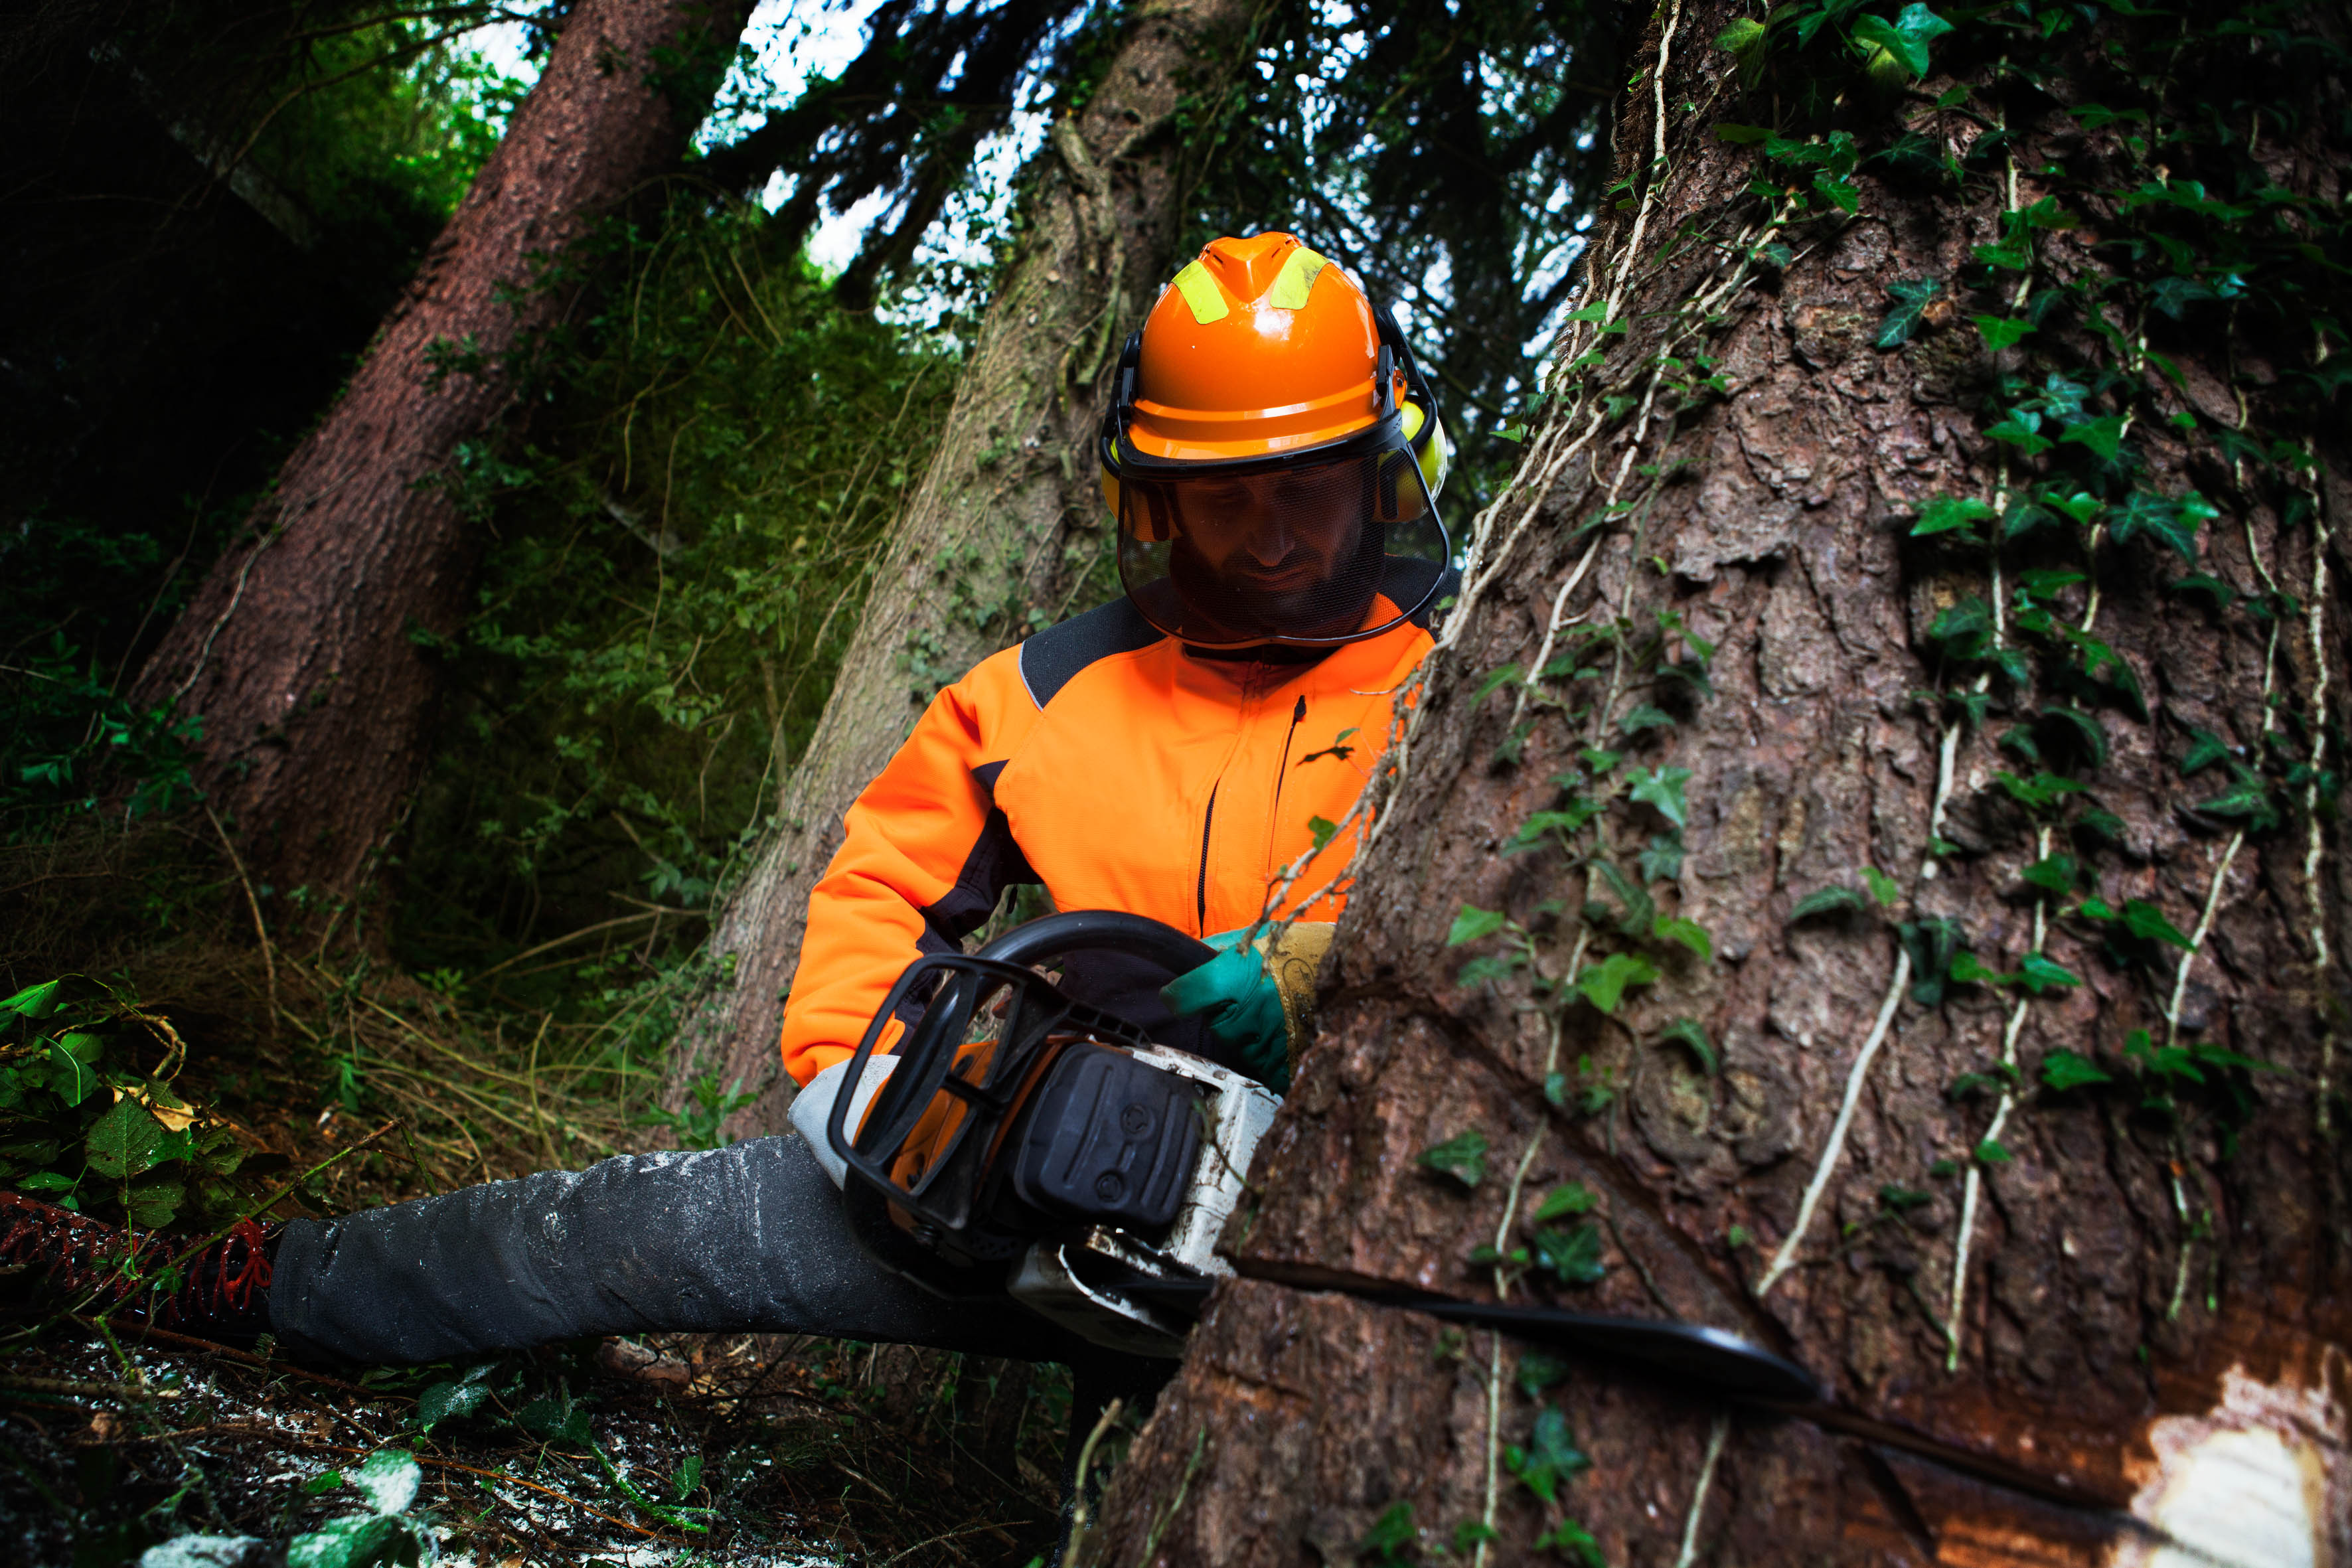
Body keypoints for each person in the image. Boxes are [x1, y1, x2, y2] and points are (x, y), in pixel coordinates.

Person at [0, 232, 1456, 1399]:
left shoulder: (1458, 699)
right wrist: (861, 1095)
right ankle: (217, 1281)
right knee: (615, 1222)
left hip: (1299, 1244)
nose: (1272, 535)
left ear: (1374, 471)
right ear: (1158, 499)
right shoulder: (1046, 691)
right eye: (1227, 497)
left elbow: (1494, 932)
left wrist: (1313, 968)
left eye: (1309, 487)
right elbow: (884, 879)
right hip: (1012, 1204)